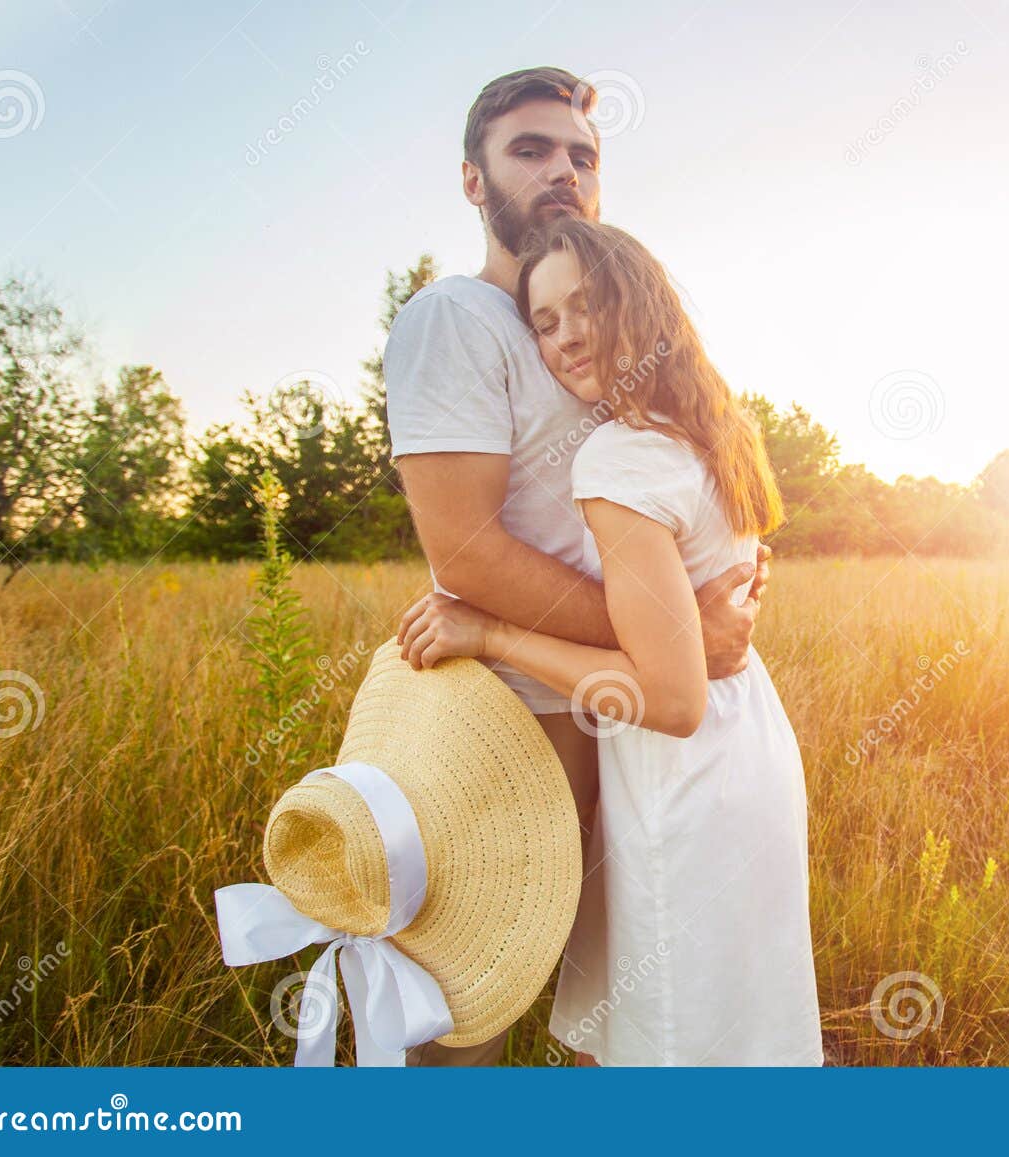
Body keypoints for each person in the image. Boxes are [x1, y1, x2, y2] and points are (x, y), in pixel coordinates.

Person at [381, 67, 770, 1066]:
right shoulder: (454, 320)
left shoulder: (598, 328)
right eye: (530, 149)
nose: (563, 168)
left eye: (582, 155)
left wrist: (703, 603)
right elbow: (464, 549)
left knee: (626, 999)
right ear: (472, 180)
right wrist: (677, 629)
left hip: (621, 712)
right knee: (471, 997)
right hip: (520, 711)